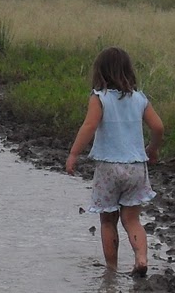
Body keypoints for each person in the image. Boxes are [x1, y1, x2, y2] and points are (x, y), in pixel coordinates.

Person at [65, 47, 164, 274]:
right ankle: (141, 259)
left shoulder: (100, 98)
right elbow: (158, 127)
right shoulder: (139, 99)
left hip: (108, 168)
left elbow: (89, 126)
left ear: (100, 72)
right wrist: (153, 148)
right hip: (136, 167)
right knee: (132, 219)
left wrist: (74, 154)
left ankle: (111, 269)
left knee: (108, 221)